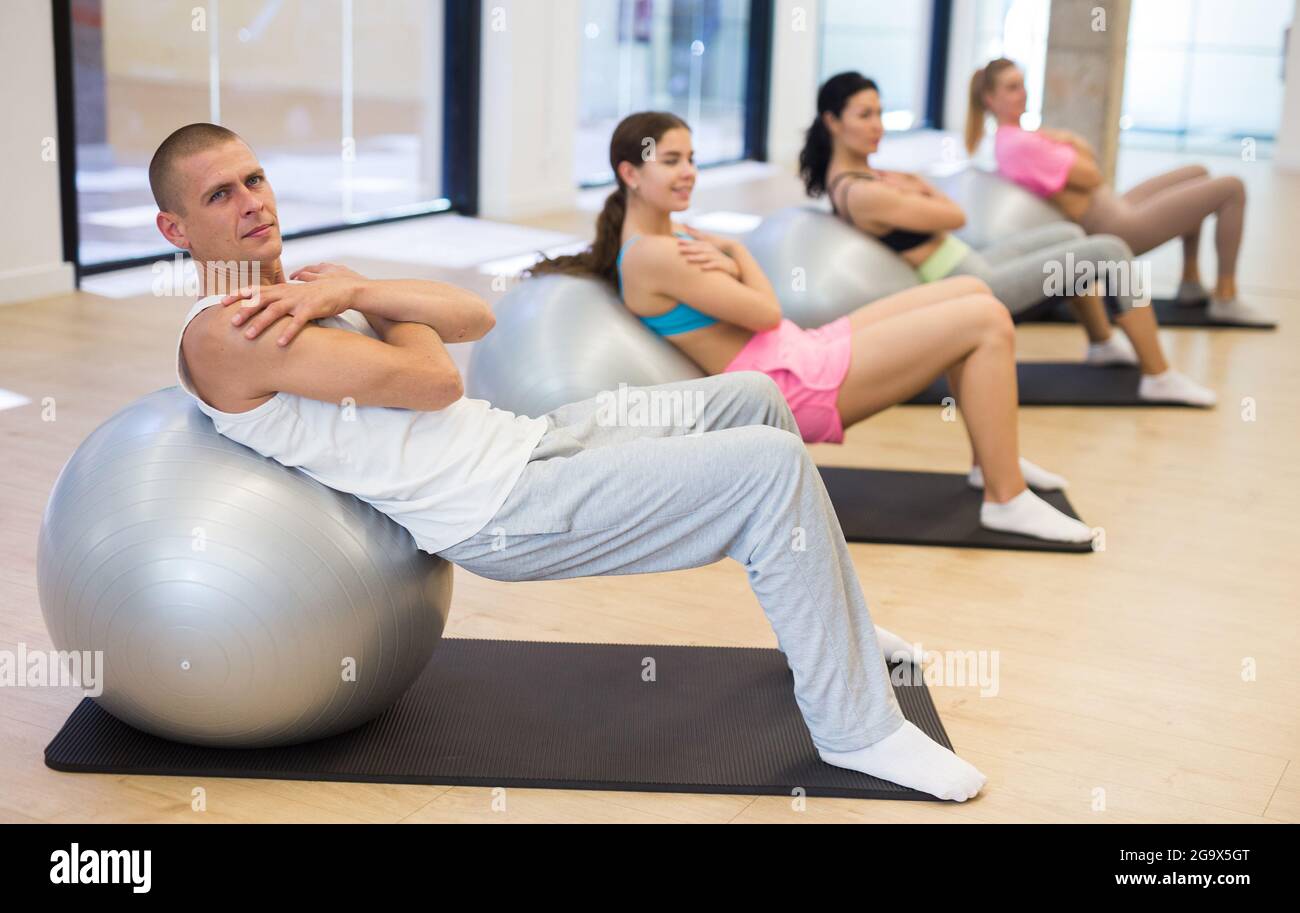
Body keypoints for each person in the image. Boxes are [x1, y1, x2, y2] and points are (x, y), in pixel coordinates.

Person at [152, 122, 986, 801]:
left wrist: (356, 291)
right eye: (220, 194)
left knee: (754, 397)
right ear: (175, 229)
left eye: (255, 180)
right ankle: (859, 731)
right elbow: (435, 378)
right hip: (501, 510)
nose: (252, 202)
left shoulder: (305, 289)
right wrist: (364, 295)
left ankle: (839, 626)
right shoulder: (226, 334)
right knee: (768, 467)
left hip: (529, 439)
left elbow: (473, 316)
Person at [532, 111, 1093, 544]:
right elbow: (765, 313)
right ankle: (1005, 496)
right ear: (630, 173)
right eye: (672, 161)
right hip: (792, 388)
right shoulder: (655, 254)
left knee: (970, 290)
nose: (689, 174)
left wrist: (727, 255)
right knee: (987, 319)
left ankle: (990, 460)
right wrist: (736, 253)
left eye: (692, 158)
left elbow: (762, 314)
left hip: (798, 352)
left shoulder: (672, 236)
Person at [803, 71, 1215, 407]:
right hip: (972, 286)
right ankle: (1158, 375)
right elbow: (954, 215)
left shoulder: (863, 180)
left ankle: (1102, 342)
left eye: (878, 113)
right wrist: (917, 186)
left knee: (1071, 233)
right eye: (864, 115)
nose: (877, 126)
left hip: (971, 263)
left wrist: (910, 186)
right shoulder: (865, 191)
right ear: (832, 122)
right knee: (1109, 249)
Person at [969, 57, 1270, 326]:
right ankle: (1226, 297)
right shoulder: (1020, 143)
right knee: (1232, 188)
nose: (1023, 93)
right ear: (990, 99)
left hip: (1113, 207)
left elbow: (1088, 172)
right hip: (1116, 226)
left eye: (1022, 84)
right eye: (1012, 88)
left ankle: (1190, 281)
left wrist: (1064, 142)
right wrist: (1070, 141)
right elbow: (1092, 174)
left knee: (1198, 173)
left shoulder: (1020, 138)